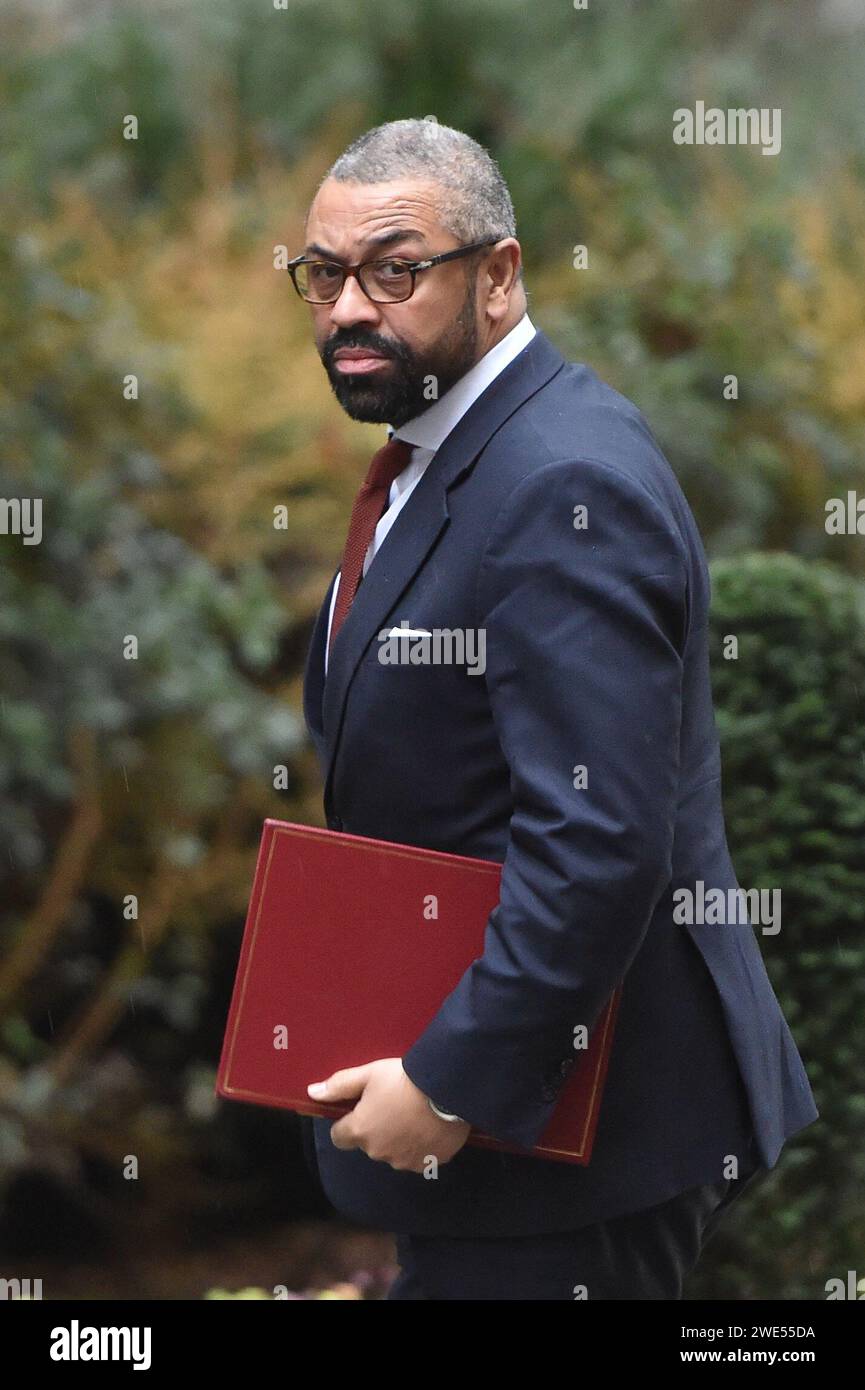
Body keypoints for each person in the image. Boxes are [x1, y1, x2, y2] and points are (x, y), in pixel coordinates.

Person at [293, 118, 818, 1300]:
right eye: (322, 275)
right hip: (514, 1147)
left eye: (394, 268)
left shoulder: (562, 481)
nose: (346, 309)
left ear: (497, 274)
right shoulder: (443, 453)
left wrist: (450, 1082)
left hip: (577, 1142)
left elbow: (596, 843)